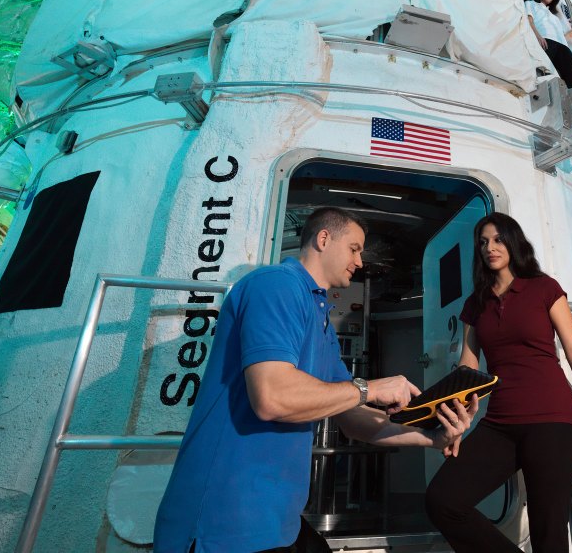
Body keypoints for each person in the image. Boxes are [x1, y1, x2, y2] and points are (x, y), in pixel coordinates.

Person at [154, 207, 477, 553]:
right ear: (324, 238)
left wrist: (431, 435)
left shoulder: (323, 325)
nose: (360, 261)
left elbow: (354, 421)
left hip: (277, 519)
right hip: (226, 523)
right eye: (354, 248)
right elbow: (272, 397)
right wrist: (370, 388)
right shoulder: (276, 284)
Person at [425, 212, 572, 553]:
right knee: (442, 501)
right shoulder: (475, 304)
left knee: (548, 535)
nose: (490, 247)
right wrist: (458, 425)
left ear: (514, 241)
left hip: (553, 423)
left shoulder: (543, 288)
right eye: (483, 242)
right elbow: (467, 367)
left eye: (497, 239)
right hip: (499, 425)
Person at [525, 0, 572, 93]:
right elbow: (529, 21)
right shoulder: (531, 4)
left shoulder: (555, 17)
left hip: (563, 46)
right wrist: (538, 37)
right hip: (546, 41)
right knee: (543, 71)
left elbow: (563, 37)